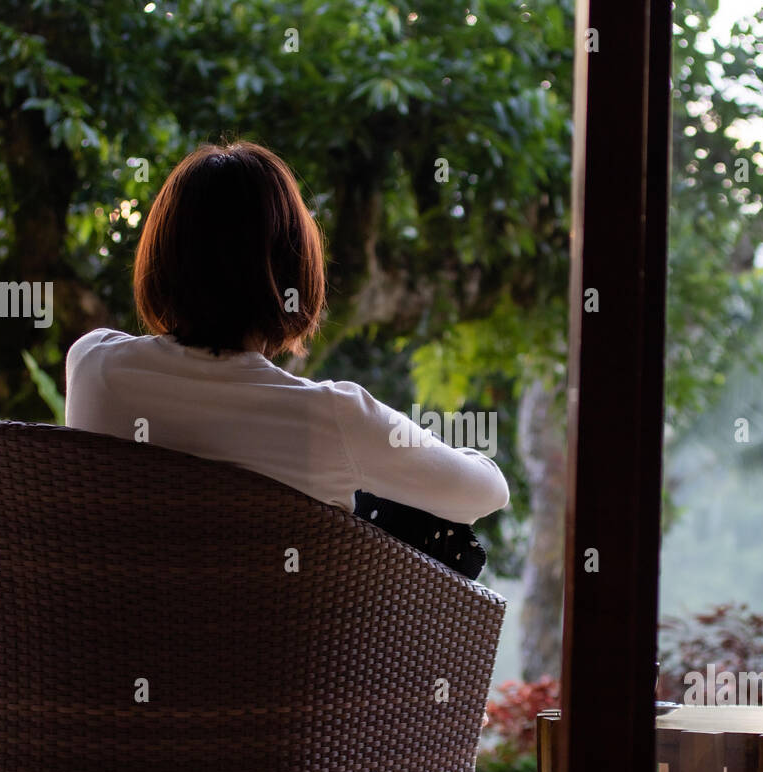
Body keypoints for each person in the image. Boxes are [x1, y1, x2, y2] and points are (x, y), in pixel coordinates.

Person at [64, 141, 509, 531]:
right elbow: (486, 491)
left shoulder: (93, 365)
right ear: (293, 271)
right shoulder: (331, 418)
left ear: (160, 259)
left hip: (109, 626)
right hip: (262, 630)